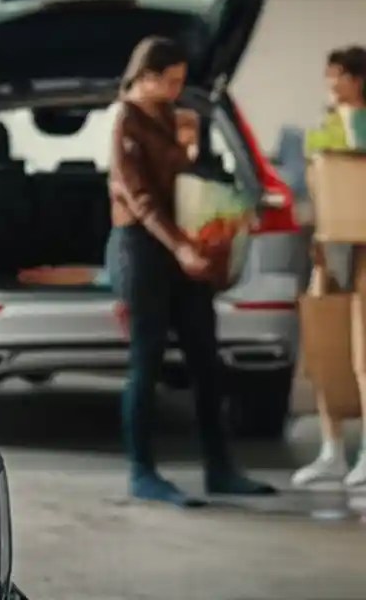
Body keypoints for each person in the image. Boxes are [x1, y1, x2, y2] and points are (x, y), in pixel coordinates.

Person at [105, 35, 276, 506]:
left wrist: (190, 147)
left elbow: (183, 182)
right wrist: (180, 248)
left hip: (184, 247)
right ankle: (143, 473)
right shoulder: (126, 120)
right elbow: (140, 199)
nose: (179, 89)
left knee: (207, 358)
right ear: (147, 76)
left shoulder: (170, 115)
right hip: (143, 249)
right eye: (173, 81)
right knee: (147, 361)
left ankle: (220, 468)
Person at [292, 44, 366, 489]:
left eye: (337, 74)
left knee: (364, 353)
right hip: (331, 244)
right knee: (324, 345)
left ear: (358, 79)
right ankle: (332, 449)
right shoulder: (326, 125)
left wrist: (350, 122)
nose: (330, 83)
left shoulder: (353, 123)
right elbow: (316, 156)